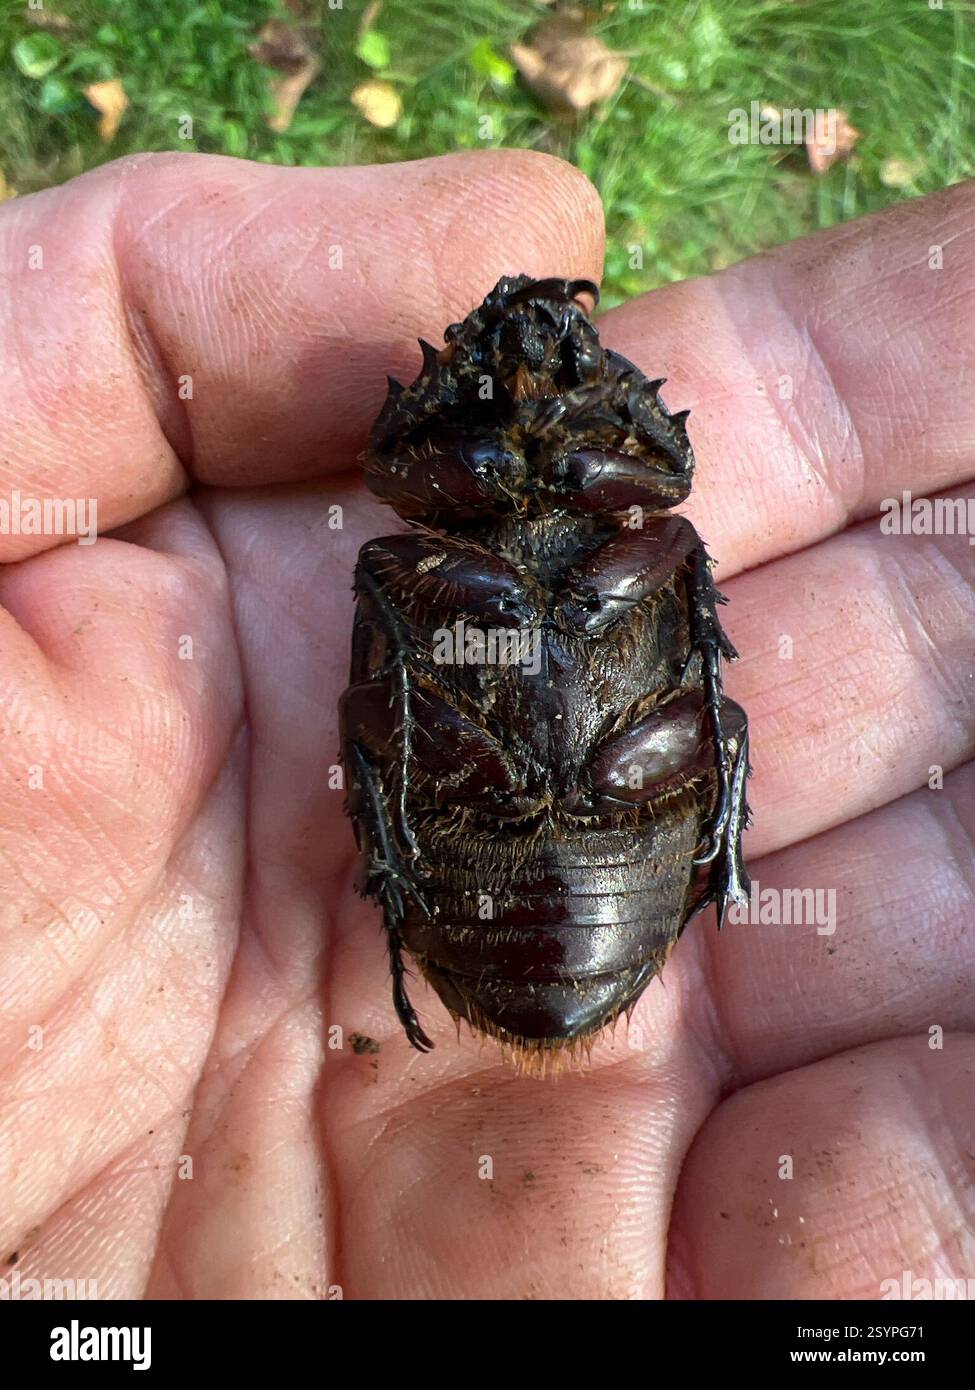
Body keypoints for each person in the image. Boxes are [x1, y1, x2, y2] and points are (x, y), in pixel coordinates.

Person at [0, 149, 971, 1300]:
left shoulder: (620, 545)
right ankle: (537, 867)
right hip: (530, 818)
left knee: (628, 661)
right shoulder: (437, 556)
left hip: (580, 831)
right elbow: (394, 691)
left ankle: (630, 852)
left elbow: (671, 655)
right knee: (482, 680)